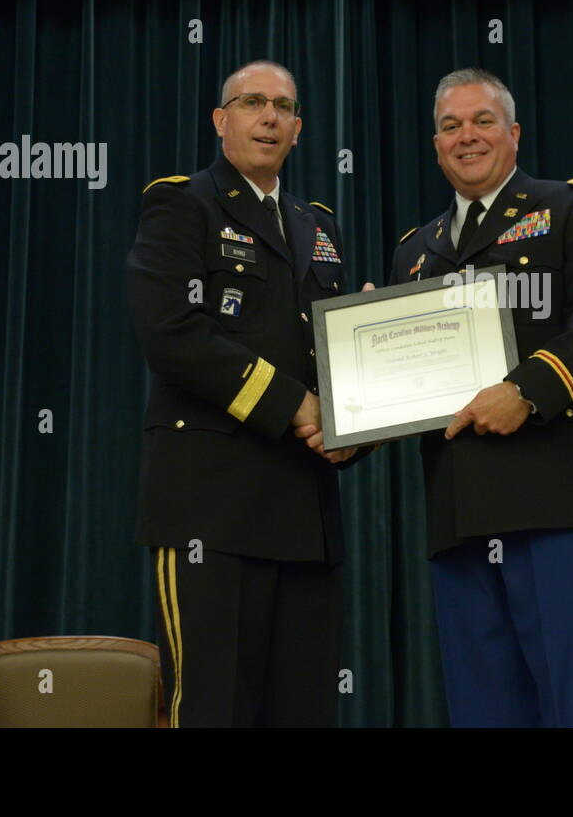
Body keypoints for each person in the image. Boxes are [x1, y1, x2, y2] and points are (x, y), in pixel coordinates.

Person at [389, 68, 573, 726]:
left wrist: (526, 391)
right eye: (450, 126)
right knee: (485, 709)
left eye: (482, 121)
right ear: (435, 144)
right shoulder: (414, 253)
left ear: (514, 133)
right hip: (460, 514)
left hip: (554, 498)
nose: (466, 136)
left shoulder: (569, 207)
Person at [126, 60, 364, 727]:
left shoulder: (318, 224)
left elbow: (328, 354)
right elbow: (171, 332)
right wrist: (296, 404)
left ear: (297, 128)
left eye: (284, 106)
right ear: (220, 119)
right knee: (212, 707)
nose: (269, 116)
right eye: (252, 101)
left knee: (304, 710)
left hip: (305, 509)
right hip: (211, 508)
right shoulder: (182, 203)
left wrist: (356, 409)